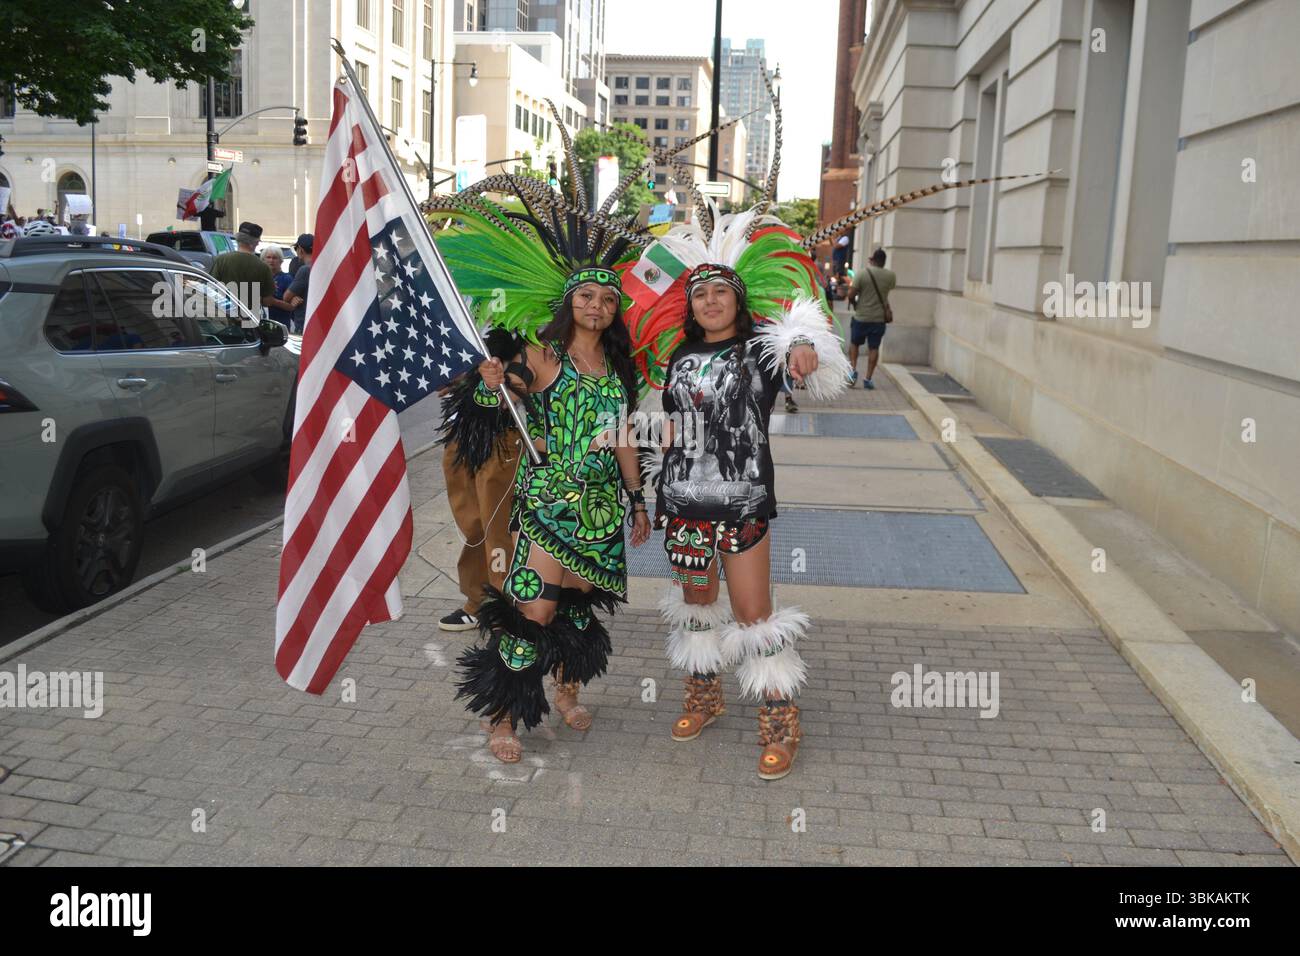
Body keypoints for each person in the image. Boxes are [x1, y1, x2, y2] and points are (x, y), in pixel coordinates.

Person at [426, 160, 658, 766]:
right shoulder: (544, 356)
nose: (599, 305)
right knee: (534, 609)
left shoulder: (617, 371)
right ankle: (503, 718)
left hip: (603, 508)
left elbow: (624, 436)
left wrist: (638, 500)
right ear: (568, 300)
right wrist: (490, 378)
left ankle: (567, 690)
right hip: (550, 503)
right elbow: (488, 399)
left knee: (578, 609)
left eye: (609, 298)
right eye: (588, 295)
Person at [847, 247, 896, 389]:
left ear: (872, 259)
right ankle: (868, 378)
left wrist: (856, 304)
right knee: (874, 348)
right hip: (878, 319)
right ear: (884, 261)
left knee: (854, 344)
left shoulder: (862, 273)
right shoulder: (890, 276)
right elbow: (886, 293)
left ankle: (853, 371)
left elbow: (851, 294)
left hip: (861, 317)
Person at [210, 221, 276, 319]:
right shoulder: (263, 267)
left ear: (237, 239)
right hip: (250, 319)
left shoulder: (221, 260)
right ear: (256, 242)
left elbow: (210, 289)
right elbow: (268, 301)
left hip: (224, 319)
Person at [282, 233, 314, 333]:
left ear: (300, 250)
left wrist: (292, 296)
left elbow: (286, 297)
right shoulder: (326, 267)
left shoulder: (305, 270)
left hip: (305, 324)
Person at [261, 247, 296, 327]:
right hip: (261, 325)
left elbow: (292, 307)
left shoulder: (287, 279)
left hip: (280, 326)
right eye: (268, 257)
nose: (271, 260)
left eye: (275, 258)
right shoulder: (259, 278)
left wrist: (274, 302)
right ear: (263, 260)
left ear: (281, 261)